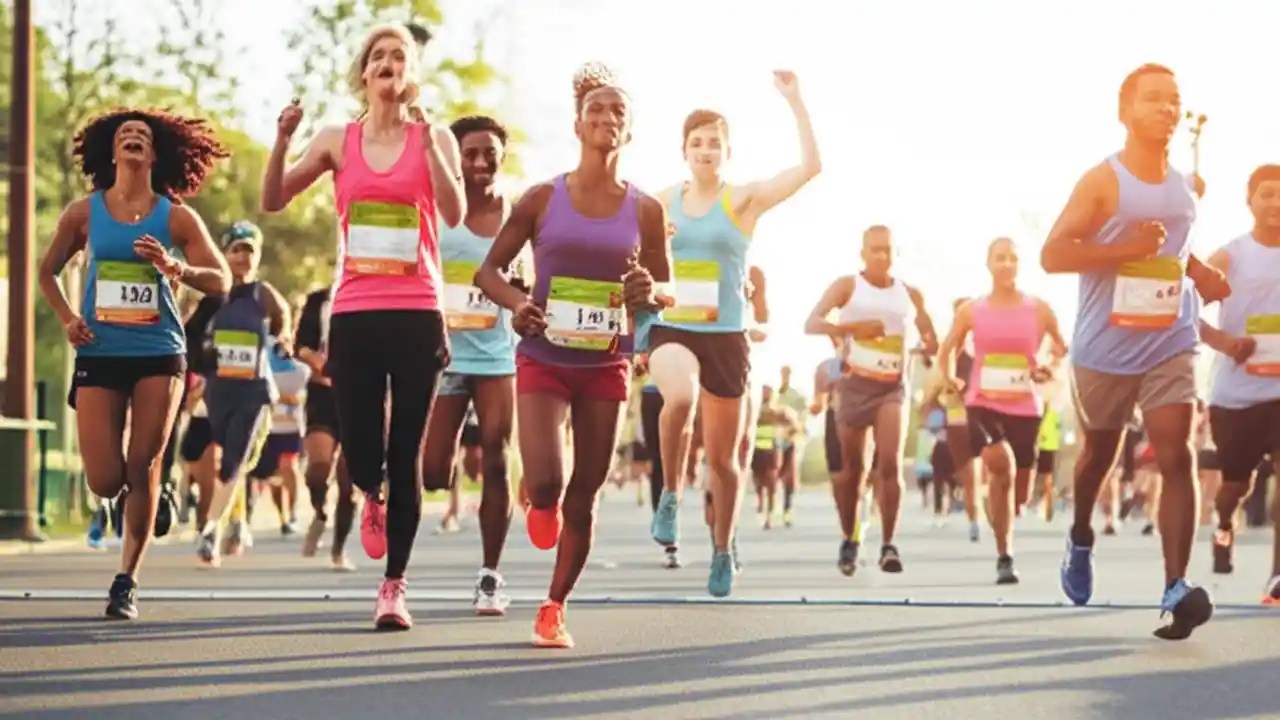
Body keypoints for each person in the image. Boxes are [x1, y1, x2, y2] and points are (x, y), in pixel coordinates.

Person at [261, 22, 465, 629]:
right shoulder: (335, 140)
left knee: (406, 455)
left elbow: (452, 215)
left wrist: (430, 149)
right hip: (354, 313)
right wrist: (281, 139)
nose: (388, 63)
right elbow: (274, 198)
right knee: (364, 448)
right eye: (378, 56)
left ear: (410, 76)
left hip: (417, 311)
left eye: (399, 56)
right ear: (363, 74)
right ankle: (369, 495)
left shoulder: (436, 138)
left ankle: (393, 586)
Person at [474, 62, 670, 648]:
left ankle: (554, 606)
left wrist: (649, 293)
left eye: (619, 113)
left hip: (606, 364)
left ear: (628, 132)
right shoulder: (541, 198)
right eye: (597, 111)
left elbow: (667, 284)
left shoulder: (646, 209)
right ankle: (540, 503)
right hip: (543, 356)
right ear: (578, 124)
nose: (607, 119)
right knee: (547, 484)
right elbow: (489, 271)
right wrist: (516, 303)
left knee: (586, 492)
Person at [1039, 63, 1231, 640]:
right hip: (1104, 347)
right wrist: (1123, 247)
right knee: (1099, 454)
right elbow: (1053, 254)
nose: (1166, 110)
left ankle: (1176, 586)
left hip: (1171, 338)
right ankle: (1079, 534)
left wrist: (1201, 274)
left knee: (1177, 455)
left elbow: (1176, 250)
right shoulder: (1103, 181)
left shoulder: (1184, 187)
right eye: (1153, 100)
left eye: (1174, 101)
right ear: (1125, 112)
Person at [37, 108, 231, 620]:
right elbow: (47, 271)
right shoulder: (84, 213)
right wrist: (66, 318)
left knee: (142, 465)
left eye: (142, 135)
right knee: (104, 480)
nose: (133, 139)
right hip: (100, 349)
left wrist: (177, 267)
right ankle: (142, 495)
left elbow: (222, 280)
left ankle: (127, 580)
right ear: (112, 151)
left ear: (154, 153)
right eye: (125, 134)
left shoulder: (176, 217)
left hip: (158, 351)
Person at [641, 71, 820, 600]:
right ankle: (670, 495)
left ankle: (722, 549)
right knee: (678, 396)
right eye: (697, 142)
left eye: (714, 142)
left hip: (726, 336)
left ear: (726, 151)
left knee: (724, 460)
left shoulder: (742, 201)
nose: (705, 150)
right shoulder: (659, 203)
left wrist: (795, 100)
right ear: (683, 150)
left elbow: (811, 169)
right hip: (673, 326)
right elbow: (624, 243)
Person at [422, 114, 518, 616]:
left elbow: (539, 273)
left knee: (498, 455)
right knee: (434, 472)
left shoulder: (516, 214)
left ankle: (490, 576)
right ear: (455, 159)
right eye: (470, 154)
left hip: (498, 357)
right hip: (443, 357)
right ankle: (440, 458)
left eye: (490, 155)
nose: (480, 163)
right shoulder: (437, 212)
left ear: (502, 159)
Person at [805, 224, 939, 576]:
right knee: (852, 473)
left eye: (888, 250)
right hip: (852, 387)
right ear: (862, 253)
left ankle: (889, 545)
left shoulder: (910, 294)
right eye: (875, 249)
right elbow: (812, 322)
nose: (882, 256)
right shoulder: (848, 286)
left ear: (896, 254)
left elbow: (932, 338)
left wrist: (923, 348)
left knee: (890, 464)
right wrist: (850, 330)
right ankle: (850, 539)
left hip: (891, 388)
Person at [937, 237, 1067, 584]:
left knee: (1019, 494)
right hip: (982, 401)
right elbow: (947, 347)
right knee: (1000, 463)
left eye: (1012, 258)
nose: (1006, 264)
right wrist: (950, 377)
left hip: (1025, 406)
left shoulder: (1039, 309)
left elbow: (1060, 346)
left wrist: (1049, 367)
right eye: (1000, 258)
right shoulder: (972, 310)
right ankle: (1005, 555)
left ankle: (1002, 513)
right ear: (988, 264)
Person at [1198, 164, 1280, 603]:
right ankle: (1224, 524)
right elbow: (1182, 310)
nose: (1275, 203)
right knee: (1235, 486)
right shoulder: (1230, 256)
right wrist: (1225, 341)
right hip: (1236, 394)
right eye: (1266, 194)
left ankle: (1277, 576)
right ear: (1250, 201)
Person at [195, 222, 292, 565]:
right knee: (224, 458)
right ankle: (234, 519)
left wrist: (283, 339)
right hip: (219, 389)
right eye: (236, 250)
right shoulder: (212, 294)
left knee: (233, 460)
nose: (242, 257)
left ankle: (210, 531)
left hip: (253, 389)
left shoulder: (261, 293)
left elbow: (283, 317)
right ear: (225, 254)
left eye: (249, 251)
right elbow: (192, 329)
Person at [295, 285, 358, 571]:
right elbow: (300, 345)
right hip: (323, 395)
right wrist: (316, 360)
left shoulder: (375, 297)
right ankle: (321, 512)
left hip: (360, 396)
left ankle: (338, 550)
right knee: (318, 470)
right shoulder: (318, 300)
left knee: (349, 483)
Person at [247, 338, 310, 535]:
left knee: (288, 467)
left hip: (290, 427)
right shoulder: (259, 349)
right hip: (266, 426)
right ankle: (283, 517)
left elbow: (304, 378)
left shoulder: (297, 363)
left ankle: (291, 514)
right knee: (272, 475)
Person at [775, 365, 809, 527]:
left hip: (792, 440)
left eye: (787, 373)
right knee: (773, 474)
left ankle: (787, 509)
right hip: (774, 440)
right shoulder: (775, 394)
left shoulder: (796, 396)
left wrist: (797, 427)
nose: (785, 376)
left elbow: (804, 415)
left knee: (790, 476)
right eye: (783, 373)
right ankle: (771, 508)